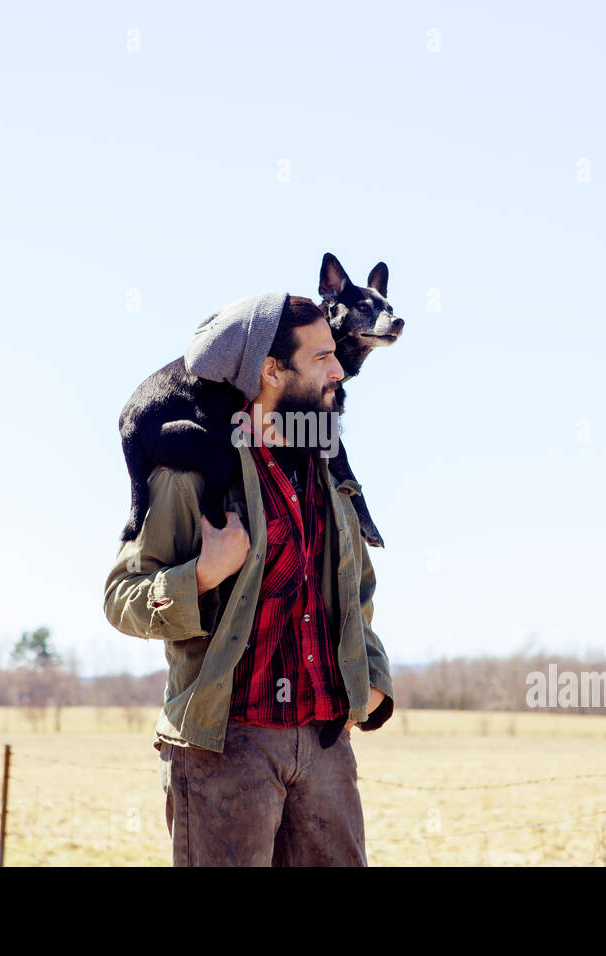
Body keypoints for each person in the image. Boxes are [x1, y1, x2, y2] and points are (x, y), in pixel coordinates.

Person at [103, 290, 395, 866]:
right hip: (225, 748)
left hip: (326, 743)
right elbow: (121, 598)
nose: (340, 370)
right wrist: (202, 574)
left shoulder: (325, 468)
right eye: (320, 358)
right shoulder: (189, 477)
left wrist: (375, 678)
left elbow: (356, 593)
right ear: (269, 370)